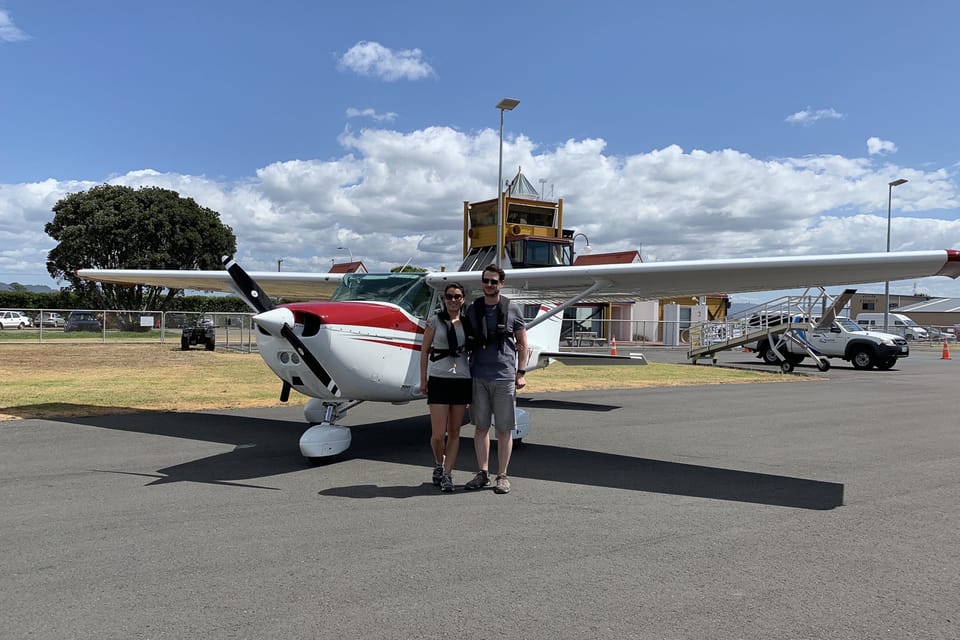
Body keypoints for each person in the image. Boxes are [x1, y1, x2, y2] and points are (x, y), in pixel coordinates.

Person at [463, 264, 529, 494]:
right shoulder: (473, 309)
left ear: (501, 284)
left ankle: (502, 475)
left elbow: (523, 344)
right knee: (480, 427)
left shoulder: (512, 309)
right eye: (485, 281)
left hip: (504, 377)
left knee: (503, 429)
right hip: (478, 375)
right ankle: (482, 473)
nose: (489, 285)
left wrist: (520, 373)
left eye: (493, 281)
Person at [419, 283, 473, 492]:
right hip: (439, 378)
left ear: (463, 299)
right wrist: (423, 379)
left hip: (462, 379)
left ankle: (448, 474)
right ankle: (438, 463)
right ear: (444, 299)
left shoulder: (468, 323)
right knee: (438, 434)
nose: (453, 300)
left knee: (455, 431)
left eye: (457, 296)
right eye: (449, 296)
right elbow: (424, 352)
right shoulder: (434, 322)